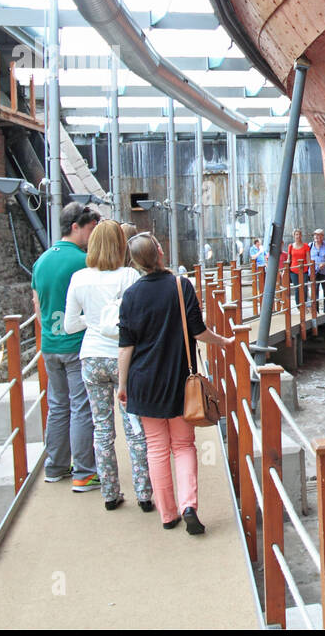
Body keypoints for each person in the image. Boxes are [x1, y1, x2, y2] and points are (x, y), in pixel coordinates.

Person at [117, 233, 232, 534]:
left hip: (143, 381)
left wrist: (121, 384)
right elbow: (198, 331)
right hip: (180, 380)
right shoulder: (181, 286)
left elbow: (125, 346)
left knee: (155, 448)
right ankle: (189, 505)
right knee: (183, 445)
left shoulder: (130, 296)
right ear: (158, 252)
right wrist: (222, 341)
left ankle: (167, 514)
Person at [63, 221, 153, 512]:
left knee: (101, 428)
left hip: (90, 356)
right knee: (135, 427)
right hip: (123, 357)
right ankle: (143, 493)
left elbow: (69, 325)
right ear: (119, 245)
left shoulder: (78, 278)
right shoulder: (128, 276)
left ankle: (110, 493)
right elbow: (137, 318)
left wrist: (95, 323)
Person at [32, 202, 102, 491]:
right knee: (81, 406)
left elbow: (37, 306)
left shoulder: (41, 261)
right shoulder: (82, 262)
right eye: (90, 229)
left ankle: (55, 466)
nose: (92, 235)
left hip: (50, 343)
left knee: (57, 406)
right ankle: (84, 472)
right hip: (76, 343)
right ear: (76, 226)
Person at [309, 228, 325, 313]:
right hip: (313, 272)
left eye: (318, 235)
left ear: (322, 236)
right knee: (314, 292)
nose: (316, 236)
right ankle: (315, 312)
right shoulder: (310, 245)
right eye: (315, 235)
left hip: (324, 272)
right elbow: (306, 258)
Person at [285, 228, 311, 307]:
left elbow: (308, 258)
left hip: (304, 270)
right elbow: (289, 258)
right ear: (294, 236)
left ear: (301, 236)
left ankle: (304, 303)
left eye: (299, 234)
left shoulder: (306, 246)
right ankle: (298, 305)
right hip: (294, 270)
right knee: (297, 288)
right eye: (296, 234)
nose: (298, 236)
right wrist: (285, 267)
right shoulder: (290, 246)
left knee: (304, 287)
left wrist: (311, 268)